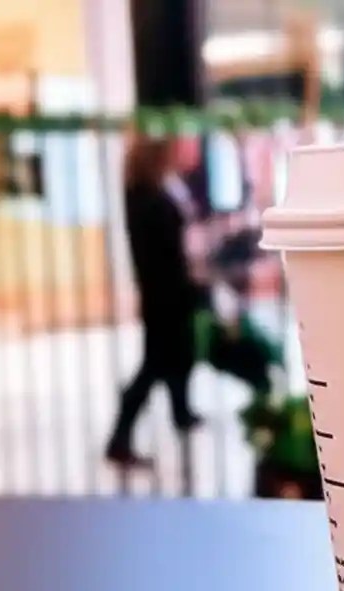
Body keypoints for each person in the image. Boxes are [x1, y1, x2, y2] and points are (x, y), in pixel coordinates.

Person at [105, 136, 205, 469]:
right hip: (165, 297)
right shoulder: (149, 199)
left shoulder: (145, 194)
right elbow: (166, 255)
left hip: (166, 295)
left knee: (177, 358)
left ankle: (181, 412)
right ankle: (119, 439)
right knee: (152, 368)